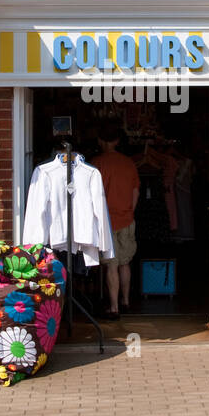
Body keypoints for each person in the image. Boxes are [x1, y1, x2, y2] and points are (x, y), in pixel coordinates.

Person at [89, 123, 139, 319]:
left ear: (100, 141)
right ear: (118, 141)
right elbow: (136, 191)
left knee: (111, 265)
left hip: (105, 221)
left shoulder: (96, 163)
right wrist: (130, 212)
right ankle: (125, 301)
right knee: (125, 263)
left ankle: (114, 307)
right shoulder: (129, 163)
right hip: (126, 218)